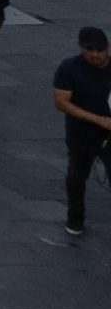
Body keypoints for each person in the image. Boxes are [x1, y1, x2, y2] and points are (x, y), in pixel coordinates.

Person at [55, 26, 111, 235]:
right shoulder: (69, 69)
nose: (95, 54)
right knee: (77, 177)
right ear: (81, 49)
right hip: (82, 133)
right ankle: (75, 218)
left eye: (100, 49)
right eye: (90, 50)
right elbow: (61, 102)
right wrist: (99, 120)